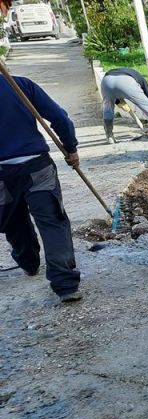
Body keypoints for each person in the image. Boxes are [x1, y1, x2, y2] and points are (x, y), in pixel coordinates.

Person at [0, 74, 82, 302]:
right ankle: (65, 285)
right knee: (52, 222)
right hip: (36, 166)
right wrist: (71, 148)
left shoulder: (19, 84)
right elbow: (59, 117)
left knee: (13, 220)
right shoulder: (18, 84)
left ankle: (28, 262)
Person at [100, 67, 148, 144]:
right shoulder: (140, 78)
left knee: (108, 110)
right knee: (147, 106)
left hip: (106, 82)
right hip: (126, 82)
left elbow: (113, 92)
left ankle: (109, 137)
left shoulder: (120, 72)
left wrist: (117, 101)